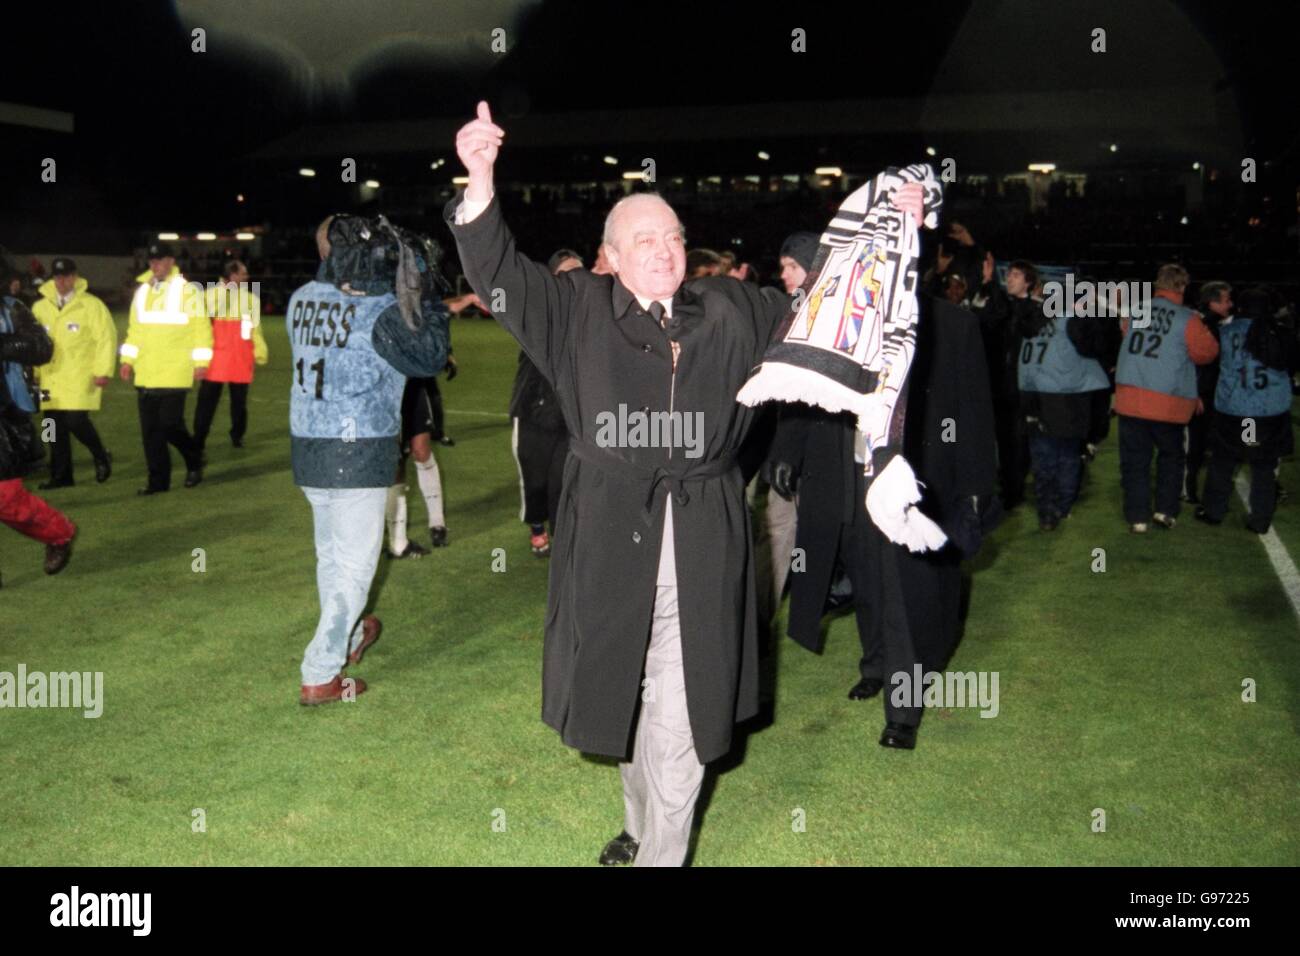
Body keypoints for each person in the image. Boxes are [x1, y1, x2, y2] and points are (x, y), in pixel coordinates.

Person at [448, 101, 924, 865]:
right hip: (605, 539)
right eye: (644, 238)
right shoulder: (574, 311)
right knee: (626, 698)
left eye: (672, 235)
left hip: (704, 537)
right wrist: (479, 181)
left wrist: (888, 226)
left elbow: (825, 304)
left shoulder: (734, 310)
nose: (664, 249)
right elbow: (499, 274)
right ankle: (638, 829)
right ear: (609, 256)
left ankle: (660, 853)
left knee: (679, 717)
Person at [771, 294, 998, 746]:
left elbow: (973, 409)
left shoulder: (950, 322)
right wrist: (788, 450)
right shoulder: (843, 311)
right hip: (846, 474)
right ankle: (875, 666)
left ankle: (903, 710)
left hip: (914, 481)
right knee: (866, 579)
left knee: (903, 592)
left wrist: (975, 486)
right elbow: (810, 393)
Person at [290, 214, 450, 705]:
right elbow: (430, 357)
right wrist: (422, 293)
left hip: (307, 446)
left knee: (331, 557)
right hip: (356, 450)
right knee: (356, 567)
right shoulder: (379, 311)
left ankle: (353, 629)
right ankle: (321, 673)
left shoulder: (300, 298)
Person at [1114, 264, 1219, 532]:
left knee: (1135, 462)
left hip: (1131, 397)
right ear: (1182, 286)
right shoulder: (1188, 319)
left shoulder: (1135, 311)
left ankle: (1137, 517)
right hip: (1168, 401)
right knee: (1171, 458)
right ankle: (1165, 511)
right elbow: (1206, 353)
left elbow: (1127, 335)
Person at [1196, 287, 1298, 533]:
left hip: (1235, 410)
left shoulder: (1226, 331)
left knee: (1223, 461)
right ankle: (1260, 519)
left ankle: (1214, 511)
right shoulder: (1282, 333)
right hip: (1269, 412)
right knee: (1263, 466)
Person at [1017, 281, 1111, 531]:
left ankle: (1046, 510)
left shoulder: (1034, 320)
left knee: (1042, 457)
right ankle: (1060, 507)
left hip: (1031, 394)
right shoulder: (1072, 320)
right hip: (1065, 397)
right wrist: (1087, 314)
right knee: (1067, 455)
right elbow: (1099, 347)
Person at [119, 242, 211, 495]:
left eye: (160, 260)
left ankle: (194, 459)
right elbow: (135, 330)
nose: (155, 265)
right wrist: (128, 360)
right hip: (147, 371)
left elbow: (201, 327)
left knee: (170, 425)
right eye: (152, 261)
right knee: (151, 432)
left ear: (171, 261)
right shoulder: (142, 292)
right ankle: (158, 482)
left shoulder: (187, 291)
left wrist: (201, 362)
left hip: (175, 370)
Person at [0, 290, 75, 586]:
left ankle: (58, 533)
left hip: (3, 420)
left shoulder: (10, 308)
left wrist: (4, 344)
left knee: (6, 499)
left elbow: (42, 347)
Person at [509, 249, 577, 557]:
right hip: (532, 411)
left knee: (562, 481)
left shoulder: (590, 311)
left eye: (578, 272)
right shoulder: (537, 311)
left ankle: (561, 537)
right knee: (534, 480)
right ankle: (536, 527)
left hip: (569, 415)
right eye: (565, 273)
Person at [31, 257, 116, 488]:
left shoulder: (91, 305)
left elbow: (106, 339)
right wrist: (33, 373)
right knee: (50, 426)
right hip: (49, 377)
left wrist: (103, 370)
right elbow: (34, 344)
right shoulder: (39, 308)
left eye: (67, 276)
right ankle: (60, 475)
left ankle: (100, 454)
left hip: (79, 374)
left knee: (76, 421)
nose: (62, 281)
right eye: (58, 276)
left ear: (75, 277)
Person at [193, 259, 267, 454]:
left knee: (239, 403)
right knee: (207, 403)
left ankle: (237, 435)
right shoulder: (208, 297)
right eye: (243, 273)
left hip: (239, 357)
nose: (247, 277)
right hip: (215, 358)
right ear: (232, 276)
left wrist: (258, 351)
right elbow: (198, 328)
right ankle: (199, 438)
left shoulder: (251, 300)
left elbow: (254, 330)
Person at [1184, 280, 1232, 503]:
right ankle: (1187, 487)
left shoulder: (1209, 322)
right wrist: (1194, 392)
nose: (1230, 304)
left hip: (1211, 394)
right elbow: (1193, 363)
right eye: (1226, 300)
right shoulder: (1204, 324)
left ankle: (1191, 486)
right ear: (1212, 302)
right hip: (1203, 395)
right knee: (1194, 445)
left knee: (1200, 445)